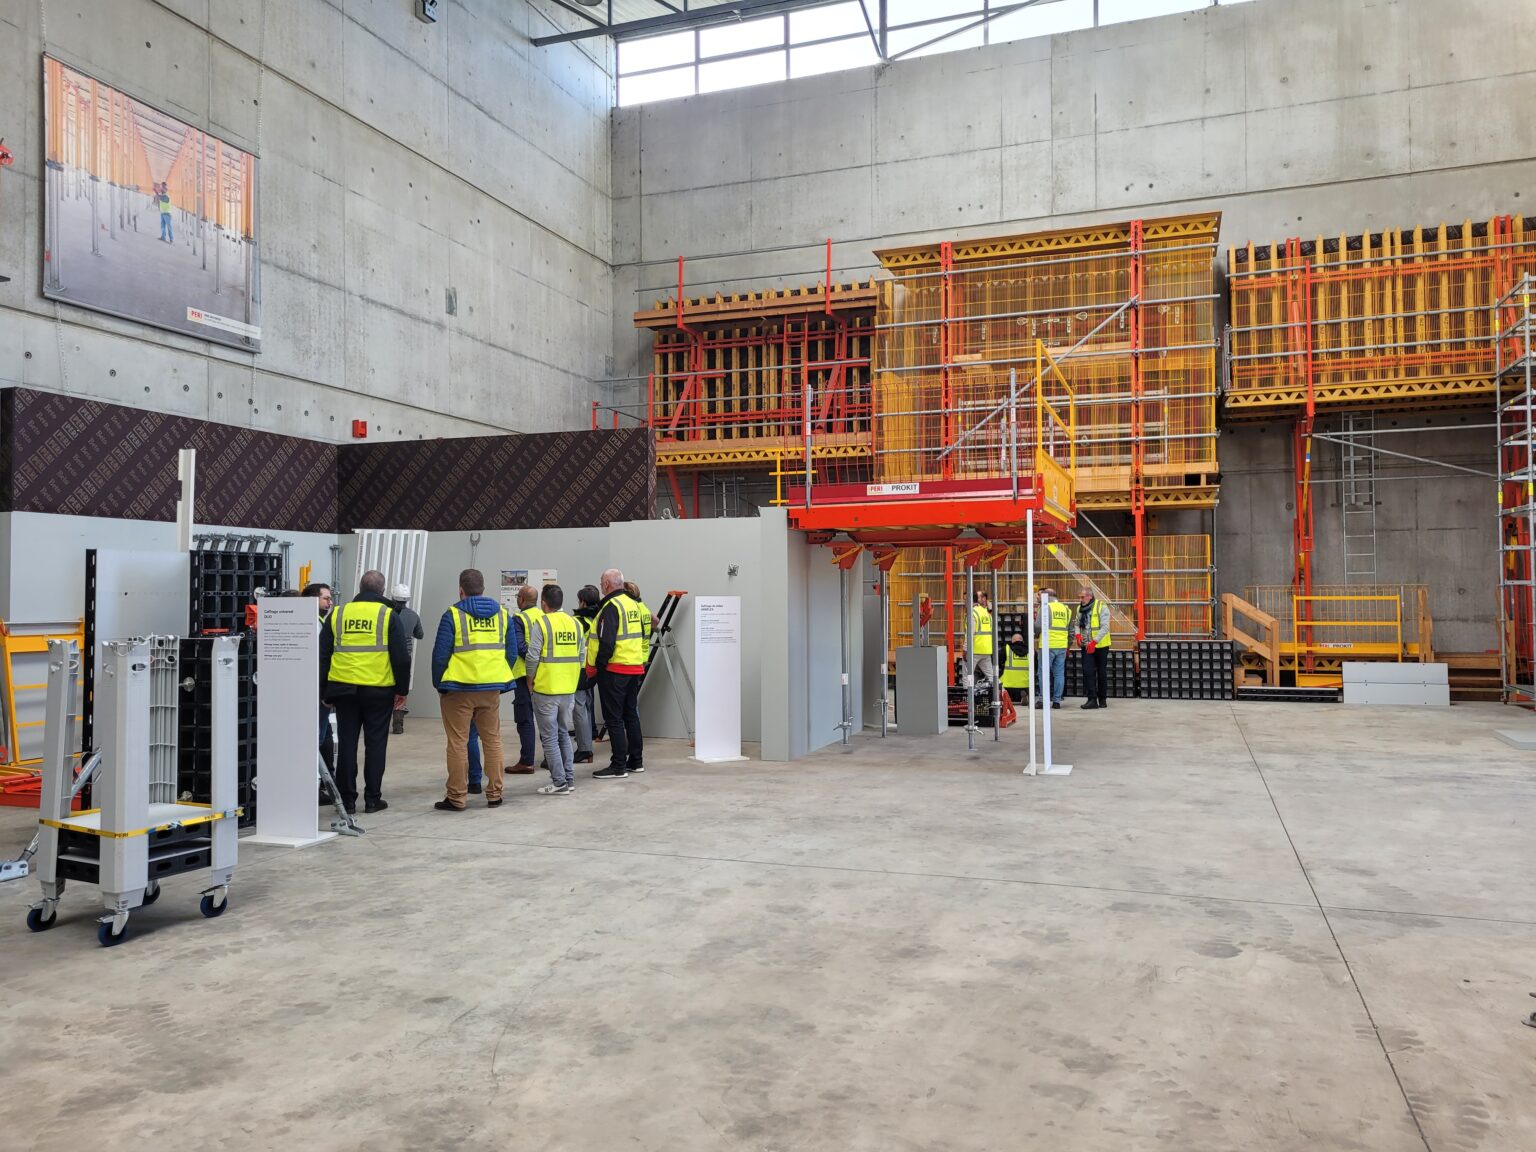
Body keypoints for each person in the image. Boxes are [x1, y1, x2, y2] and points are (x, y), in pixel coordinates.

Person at [320, 570, 411, 814]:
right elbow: (401, 657)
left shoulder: (338, 613)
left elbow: (323, 655)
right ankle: (373, 799)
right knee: (376, 744)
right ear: (382, 591)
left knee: (347, 745)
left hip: (343, 689)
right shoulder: (388, 614)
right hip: (378, 689)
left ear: (359, 588)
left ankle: (347, 801)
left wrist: (324, 691)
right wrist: (402, 690)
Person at [430, 568, 518, 812]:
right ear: (483, 588)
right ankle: (495, 794)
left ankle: (457, 797)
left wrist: (440, 684)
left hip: (458, 689)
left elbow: (440, 656)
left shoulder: (453, 615)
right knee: (493, 740)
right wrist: (498, 676)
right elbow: (511, 653)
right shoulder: (502, 615)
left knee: (458, 742)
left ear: (461, 590)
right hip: (490, 690)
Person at [525, 585, 582, 795]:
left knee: (549, 737)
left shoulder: (542, 623)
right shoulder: (574, 623)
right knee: (563, 734)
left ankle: (559, 783)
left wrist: (530, 680)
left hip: (546, 689)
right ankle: (569, 779)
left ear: (543, 604)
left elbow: (532, 656)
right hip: (568, 688)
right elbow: (581, 655)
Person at [591, 568, 646, 780]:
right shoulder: (634, 604)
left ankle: (618, 766)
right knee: (631, 715)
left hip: (615, 669)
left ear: (606, 585)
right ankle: (636, 761)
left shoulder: (611, 606)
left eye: (601, 582)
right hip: (634, 667)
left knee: (613, 719)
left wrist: (600, 666)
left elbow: (607, 641)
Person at [303, 582, 337, 804]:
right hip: (314, 692)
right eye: (326, 598)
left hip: (319, 691)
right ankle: (312, 787)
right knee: (313, 738)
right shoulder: (310, 625)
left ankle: (324, 783)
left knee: (322, 736)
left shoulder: (322, 622)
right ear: (313, 600)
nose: (330, 601)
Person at [507, 585, 541, 775]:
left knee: (525, 719)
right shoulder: (544, 616)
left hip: (523, 676)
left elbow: (519, 647)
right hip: (545, 674)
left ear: (521, 599)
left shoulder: (519, 619)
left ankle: (527, 761)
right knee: (547, 718)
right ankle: (550, 759)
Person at [389, 583, 425, 734]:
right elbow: (420, 635)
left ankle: (381, 721)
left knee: (386, 687)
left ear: (392, 597)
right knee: (401, 689)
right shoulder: (413, 615)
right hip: (405, 656)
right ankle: (398, 724)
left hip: (387, 654)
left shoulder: (387, 613)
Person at [572, 584, 601, 765]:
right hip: (593, 667)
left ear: (582, 602)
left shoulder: (577, 622)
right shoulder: (598, 619)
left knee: (579, 708)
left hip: (580, 669)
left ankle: (584, 749)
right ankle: (588, 739)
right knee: (588, 704)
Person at [1074, 586, 1113, 710]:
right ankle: (1092, 699)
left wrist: (1094, 642)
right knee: (1087, 671)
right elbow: (1077, 623)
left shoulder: (1101, 607)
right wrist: (1078, 635)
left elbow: (1105, 627)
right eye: (1080, 597)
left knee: (1101, 672)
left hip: (1101, 645)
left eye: (1082, 597)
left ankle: (1102, 699)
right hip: (1086, 645)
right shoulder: (1079, 608)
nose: (1081, 599)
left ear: (1090, 596)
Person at [1035, 587, 1071, 710]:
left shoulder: (1045, 607)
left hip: (1047, 645)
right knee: (1059, 674)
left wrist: (1033, 628)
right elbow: (1070, 629)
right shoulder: (1065, 609)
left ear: (1046, 596)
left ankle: (1042, 700)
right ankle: (1056, 701)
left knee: (1043, 673)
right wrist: (1068, 645)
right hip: (1061, 645)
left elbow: (1038, 626)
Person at [967, 590, 995, 687]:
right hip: (986, 650)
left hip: (974, 649)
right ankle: (1002, 694)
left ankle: (967, 697)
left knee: (967, 675)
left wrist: (965, 648)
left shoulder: (972, 613)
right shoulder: (986, 613)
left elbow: (970, 633)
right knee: (991, 676)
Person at [999, 630, 1034, 705]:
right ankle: (1024, 696)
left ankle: (1007, 698)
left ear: (1012, 641)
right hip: (1026, 684)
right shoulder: (1031, 651)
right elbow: (1036, 667)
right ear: (1022, 641)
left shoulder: (1006, 649)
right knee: (1022, 690)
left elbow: (997, 663)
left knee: (1001, 685)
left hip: (1008, 684)